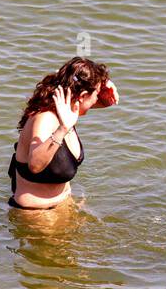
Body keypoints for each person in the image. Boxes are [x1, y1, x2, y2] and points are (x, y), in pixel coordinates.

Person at [7, 57, 118, 210]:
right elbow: (35, 165)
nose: (96, 99)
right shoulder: (45, 119)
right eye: (96, 94)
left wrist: (104, 83)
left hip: (65, 206)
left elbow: (109, 101)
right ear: (82, 95)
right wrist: (63, 129)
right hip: (36, 216)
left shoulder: (69, 110)